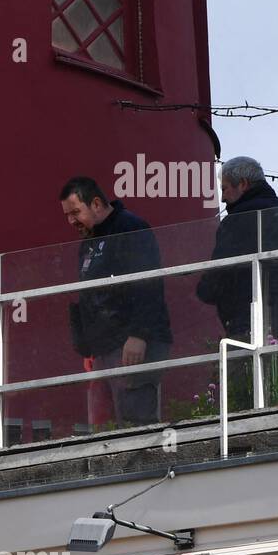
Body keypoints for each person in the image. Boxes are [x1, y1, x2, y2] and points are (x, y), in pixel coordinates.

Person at [60, 176, 174, 427]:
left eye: (76, 212)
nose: (71, 221)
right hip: (103, 349)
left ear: (97, 204)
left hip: (132, 344)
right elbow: (89, 295)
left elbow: (148, 284)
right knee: (103, 427)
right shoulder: (88, 243)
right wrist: (88, 346)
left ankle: (143, 465)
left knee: (136, 423)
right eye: (67, 215)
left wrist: (139, 336)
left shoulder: (130, 228)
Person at [196, 156, 278, 340]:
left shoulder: (238, 221)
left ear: (242, 184)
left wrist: (202, 287)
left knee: (248, 369)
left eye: (224, 189)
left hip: (252, 325)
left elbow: (218, 277)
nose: (223, 198)